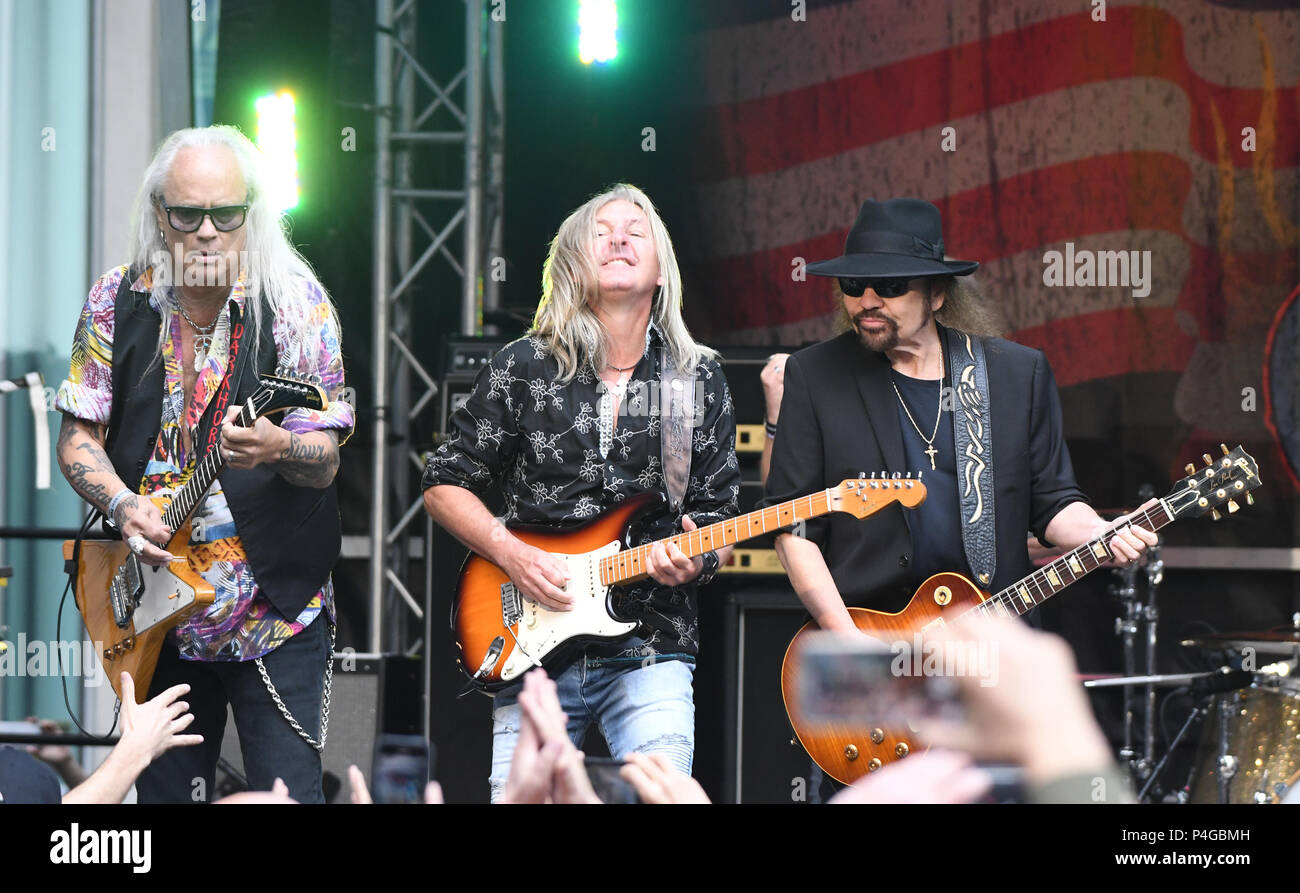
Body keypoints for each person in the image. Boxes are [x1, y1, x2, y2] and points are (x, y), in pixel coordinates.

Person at [762, 198, 1155, 800]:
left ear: (938, 294)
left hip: (987, 655)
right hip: (866, 643)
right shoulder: (816, 376)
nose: (867, 300)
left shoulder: (1013, 374)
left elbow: (1054, 505)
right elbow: (794, 526)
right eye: (853, 284)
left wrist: (1104, 533)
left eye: (889, 285)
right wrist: (850, 643)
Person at [55, 125, 353, 803]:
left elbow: (326, 457)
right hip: (157, 613)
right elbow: (77, 437)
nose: (208, 232)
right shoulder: (115, 300)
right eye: (188, 215)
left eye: (227, 214)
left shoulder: (297, 307)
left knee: (286, 797)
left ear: (252, 211)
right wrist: (124, 505)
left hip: (273, 609)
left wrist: (278, 447)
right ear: (161, 213)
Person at [422, 184, 740, 802]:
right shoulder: (522, 366)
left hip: (652, 641)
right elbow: (442, 482)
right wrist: (510, 552)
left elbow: (717, 516)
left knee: (666, 798)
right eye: (602, 230)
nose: (619, 237)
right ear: (571, 261)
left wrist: (695, 556)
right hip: (531, 641)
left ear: (661, 268)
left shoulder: (697, 375)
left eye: (636, 230)